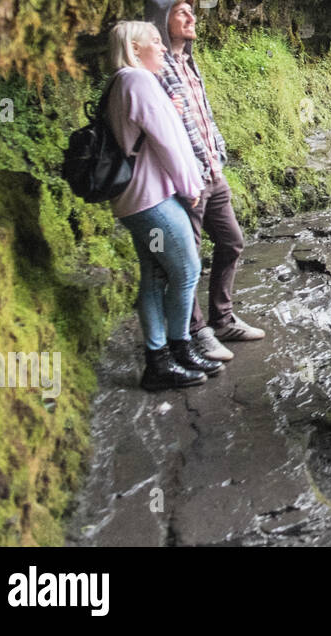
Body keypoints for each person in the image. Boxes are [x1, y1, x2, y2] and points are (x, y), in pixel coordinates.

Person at [105, 22, 223, 391]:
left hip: (137, 202)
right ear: (135, 49)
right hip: (152, 202)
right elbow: (169, 142)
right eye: (153, 42)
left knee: (156, 275)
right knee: (185, 270)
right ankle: (175, 350)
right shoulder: (137, 81)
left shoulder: (125, 82)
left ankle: (164, 359)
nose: (161, 47)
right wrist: (191, 188)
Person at [144, 0, 259, 362]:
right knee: (188, 259)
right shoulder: (155, 70)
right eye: (182, 13)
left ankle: (222, 319)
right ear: (162, 21)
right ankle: (196, 331)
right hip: (184, 182)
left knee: (232, 243)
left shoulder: (188, 63)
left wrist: (218, 155)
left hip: (212, 172)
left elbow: (203, 117)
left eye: (192, 12)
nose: (192, 19)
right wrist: (183, 176)